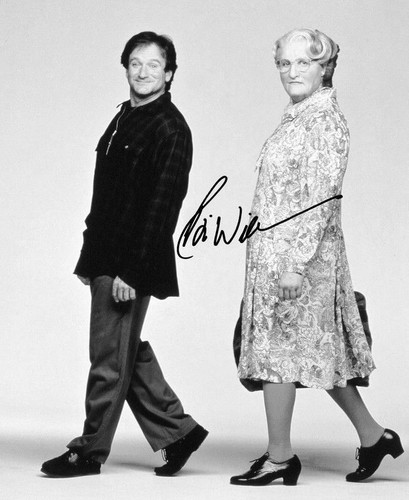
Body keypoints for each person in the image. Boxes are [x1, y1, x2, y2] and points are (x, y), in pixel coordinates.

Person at [230, 28, 403, 486]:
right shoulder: (300, 116)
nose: (292, 72)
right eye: (284, 63)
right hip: (280, 258)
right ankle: (374, 437)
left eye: (303, 63)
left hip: (299, 263)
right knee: (316, 353)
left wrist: (294, 264)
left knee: (278, 355)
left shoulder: (324, 122)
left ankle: (280, 458)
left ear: (325, 67)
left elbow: (320, 201)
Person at [41, 31, 208, 478]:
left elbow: (162, 208)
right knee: (120, 350)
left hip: (131, 261)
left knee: (108, 359)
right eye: (136, 63)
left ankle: (88, 451)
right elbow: (105, 196)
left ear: (169, 74)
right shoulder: (123, 118)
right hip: (104, 255)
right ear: (126, 68)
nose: (143, 71)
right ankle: (178, 432)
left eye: (154, 65)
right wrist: (89, 257)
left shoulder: (171, 128)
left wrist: (131, 271)